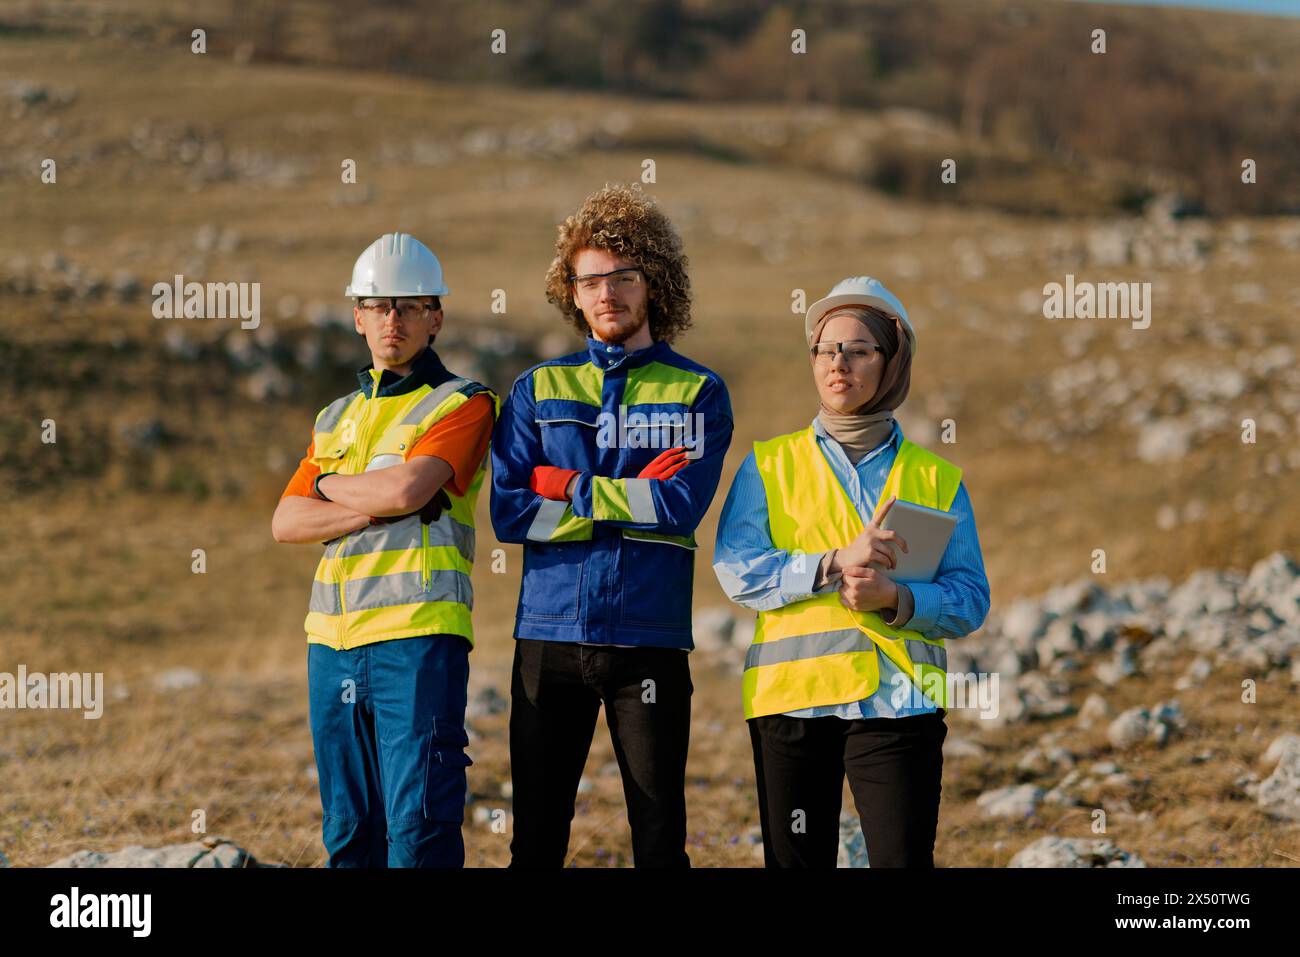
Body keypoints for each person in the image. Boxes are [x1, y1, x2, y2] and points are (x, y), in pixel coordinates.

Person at [490, 185, 733, 867]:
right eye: (589, 279)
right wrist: (630, 495)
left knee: (659, 842)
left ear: (653, 282)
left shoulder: (698, 392)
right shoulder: (537, 390)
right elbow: (510, 512)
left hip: (648, 640)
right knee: (535, 840)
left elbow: (678, 508)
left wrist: (564, 487)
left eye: (623, 277)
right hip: (547, 636)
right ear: (571, 290)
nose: (606, 294)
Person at [712, 275, 990, 868]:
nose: (838, 363)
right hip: (792, 707)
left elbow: (969, 598)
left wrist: (897, 597)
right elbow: (736, 571)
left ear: (892, 363)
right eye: (825, 349)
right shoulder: (769, 463)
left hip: (900, 708)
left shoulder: (936, 478)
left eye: (859, 350)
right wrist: (833, 564)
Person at [271, 232, 498, 867]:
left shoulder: (464, 402)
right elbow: (287, 521)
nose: (392, 319)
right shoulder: (333, 417)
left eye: (408, 305)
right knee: (348, 830)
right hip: (332, 645)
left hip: (418, 640)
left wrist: (325, 488)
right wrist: (364, 502)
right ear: (357, 317)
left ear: (436, 317)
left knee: (418, 829)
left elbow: (407, 486)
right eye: (378, 305)